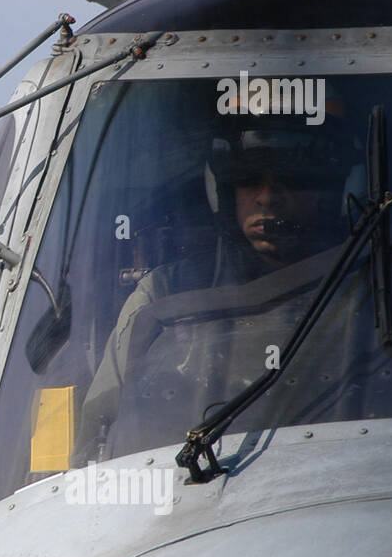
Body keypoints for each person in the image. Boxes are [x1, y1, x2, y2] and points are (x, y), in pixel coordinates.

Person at [77, 111, 360, 461]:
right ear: (225, 191)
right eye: (249, 179)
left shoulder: (378, 287)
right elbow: (96, 443)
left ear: (329, 190)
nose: (268, 197)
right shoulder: (163, 293)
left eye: (292, 177)